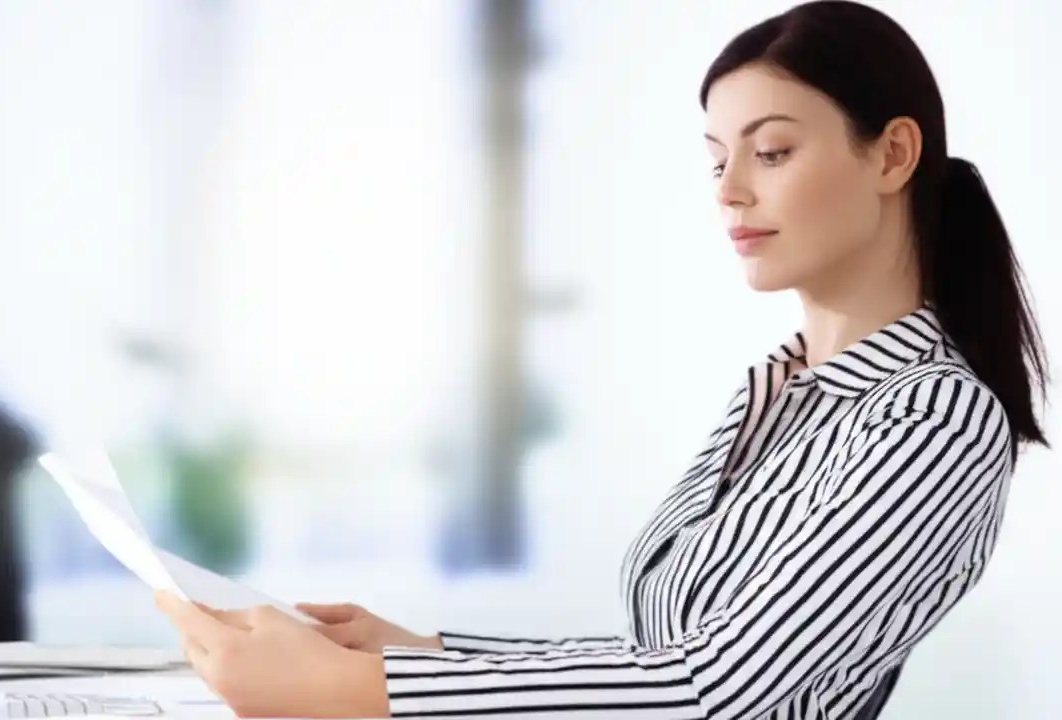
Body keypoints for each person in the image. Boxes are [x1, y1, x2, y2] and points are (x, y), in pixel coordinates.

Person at [154, 1, 1051, 717]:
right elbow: (656, 659)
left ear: (893, 153)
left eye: (772, 151)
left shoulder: (933, 418)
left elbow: (716, 692)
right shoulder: (781, 394)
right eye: (715, 162)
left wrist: (355, 695)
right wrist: (418, 651)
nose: (731, 191)